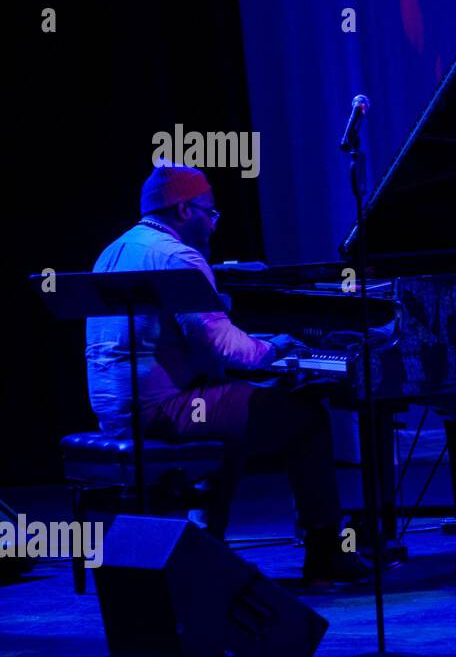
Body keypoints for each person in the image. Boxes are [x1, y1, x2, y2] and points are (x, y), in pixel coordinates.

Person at [84, 162, 369, 584]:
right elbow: (220, 343)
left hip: (115, 413)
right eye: (210, 212)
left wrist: (255, 361)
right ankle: (326, 551)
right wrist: (277, 350)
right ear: (184, 210)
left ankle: (207, 548)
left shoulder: (112, 252)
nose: (214, 224)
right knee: (304, 418)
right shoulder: (177, 256)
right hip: (162, 411)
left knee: (235, 414)